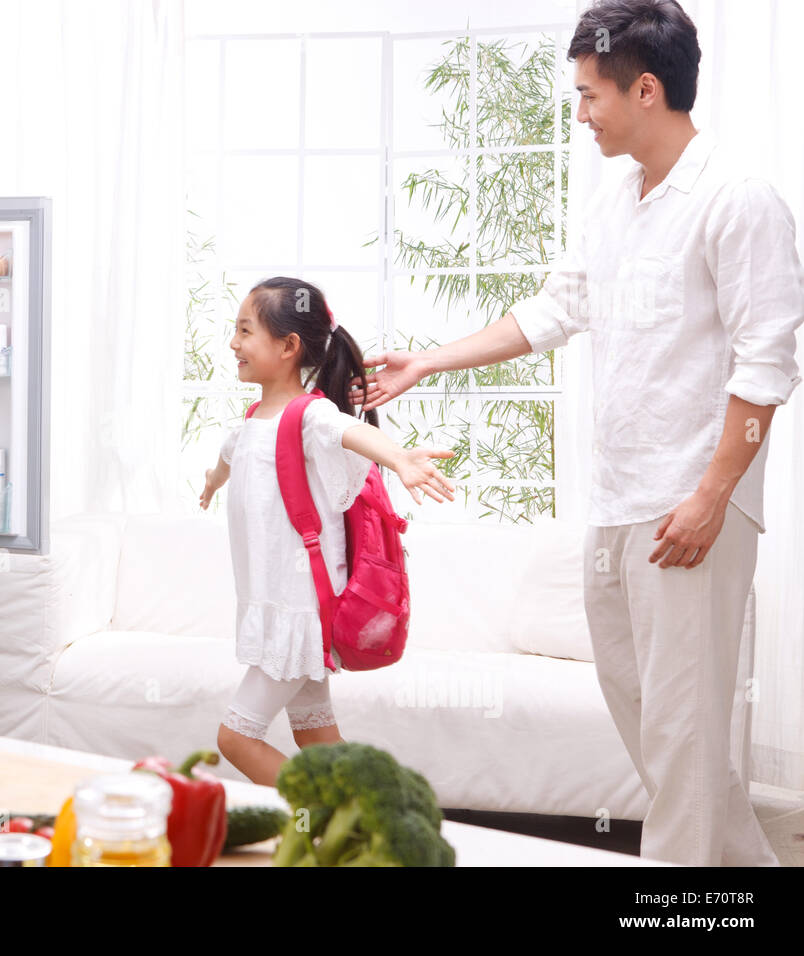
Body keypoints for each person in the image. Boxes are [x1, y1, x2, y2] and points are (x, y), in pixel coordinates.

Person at [354, 0, 802, 866]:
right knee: (657, 728)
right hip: (619, 501)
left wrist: (712, 499)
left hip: (692, 505)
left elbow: (765, 367)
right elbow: (557, 310)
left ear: (646, 88)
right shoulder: (611, 202)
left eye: (591, 95)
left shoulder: (738, 202)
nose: (581, 111)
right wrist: (430, 363)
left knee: (682, 735)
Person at [199, 277, 456, 786]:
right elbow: (227, 459)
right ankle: (374, 823)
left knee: (236, 739)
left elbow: (351, 431)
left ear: (289, 346)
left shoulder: (311, 415)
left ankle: (336, 822)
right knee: (316, 739)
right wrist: (211, 484)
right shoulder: (252, 420)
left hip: (299, 615)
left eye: (245, 331)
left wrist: (399, 457)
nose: (233, 343)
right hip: (281, 612)